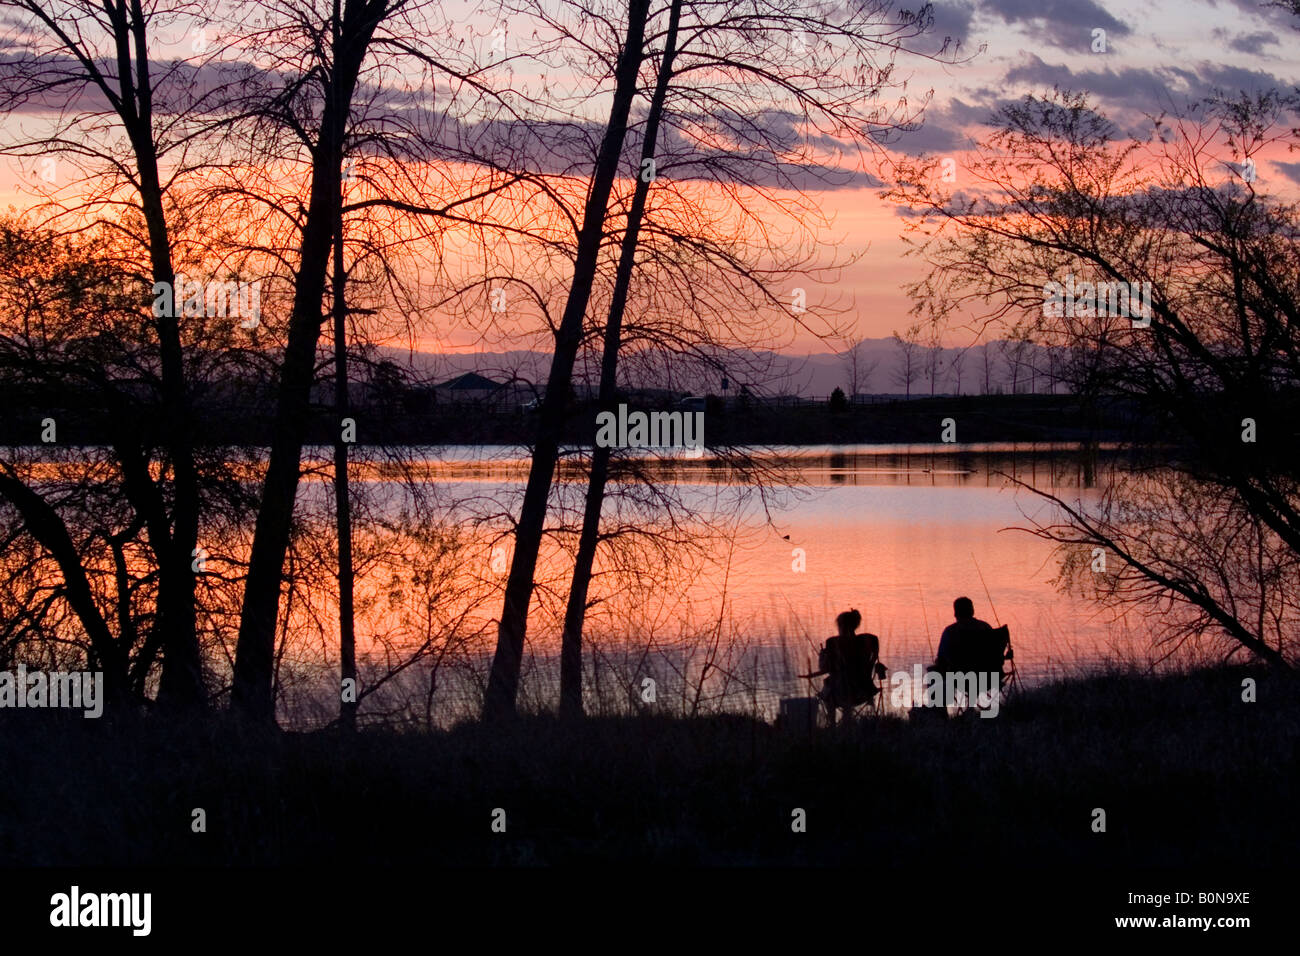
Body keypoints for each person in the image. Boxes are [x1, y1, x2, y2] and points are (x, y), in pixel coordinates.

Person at [817, 608, 886, 727]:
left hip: (839, 693)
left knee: (829, 689)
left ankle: (833, 725)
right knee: (839, 684)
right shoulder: (870, 640)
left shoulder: (833, 643)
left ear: (840, 625)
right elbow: (873, 660)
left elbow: (825, 668)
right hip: (865, 690)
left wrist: (822, 656)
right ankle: (848, 722)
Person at [934, 596, 993, 674]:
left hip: (960, 676)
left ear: (955, 613)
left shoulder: (950, 631)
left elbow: (941, 658)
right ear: (972, 611)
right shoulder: (986, 627)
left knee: (934, 672)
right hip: (988, 675)